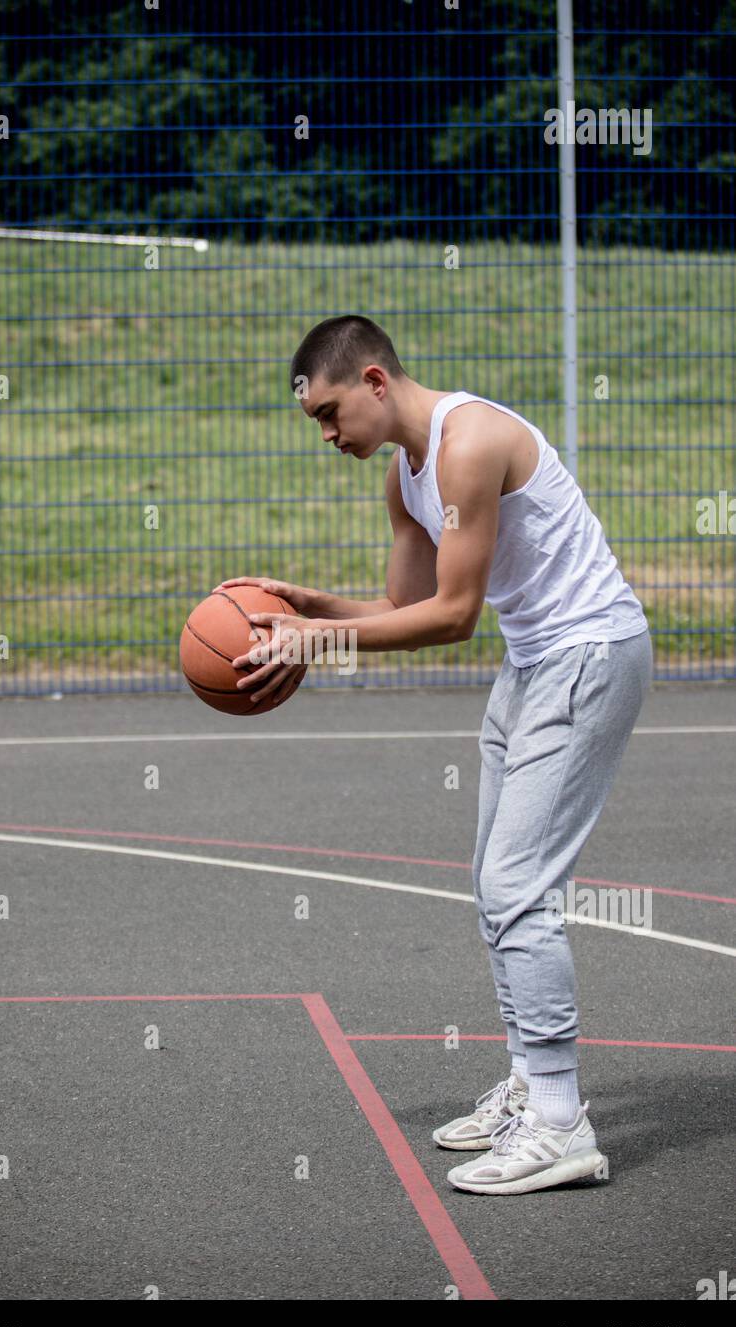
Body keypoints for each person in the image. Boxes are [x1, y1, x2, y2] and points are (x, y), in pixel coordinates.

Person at [216, 314, 652, 1195]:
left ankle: (563, 1125)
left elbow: (452, 617)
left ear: (376, 380)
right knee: (492, 880)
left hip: (589, 656)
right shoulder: (404, 481)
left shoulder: (469, 444)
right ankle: (532, 1085)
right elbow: (401, 604)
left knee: (515, 888)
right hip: (534, 661)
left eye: (332, 413)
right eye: (318, 424)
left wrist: (313, 646)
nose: (330, 435)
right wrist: (314, 609)